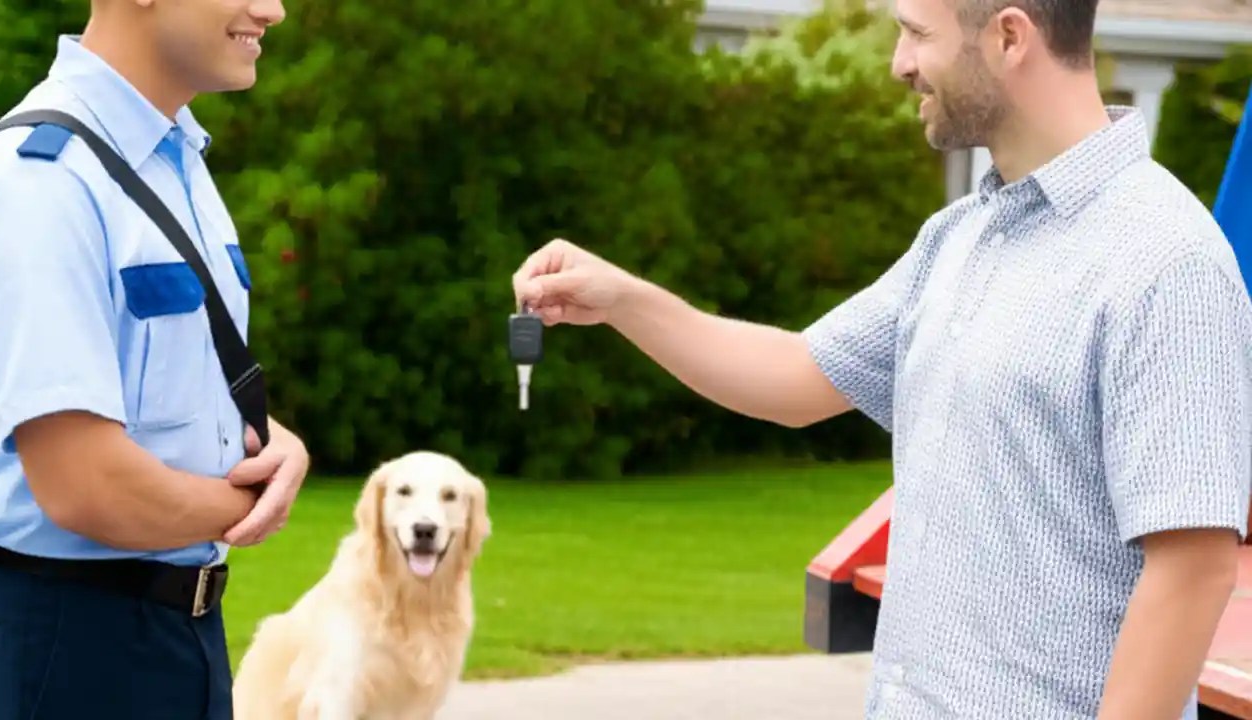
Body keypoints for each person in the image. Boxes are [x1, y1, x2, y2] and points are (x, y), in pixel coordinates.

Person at [512, 0, 1252, 717]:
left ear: (1009, 37)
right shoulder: (958, 237)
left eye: (916, 34)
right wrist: (623, 301)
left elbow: (1194, 565)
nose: (900, 64)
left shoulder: (1167, 263)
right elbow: (798, 376)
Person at [0, 1, 308, 718]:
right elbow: (84, 485)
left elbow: (167, 388)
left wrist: (273, 442)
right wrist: (250, 502)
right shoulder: (41, 179)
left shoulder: (171, 159)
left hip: (178, 636)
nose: (272, 10)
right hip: (65, 648)